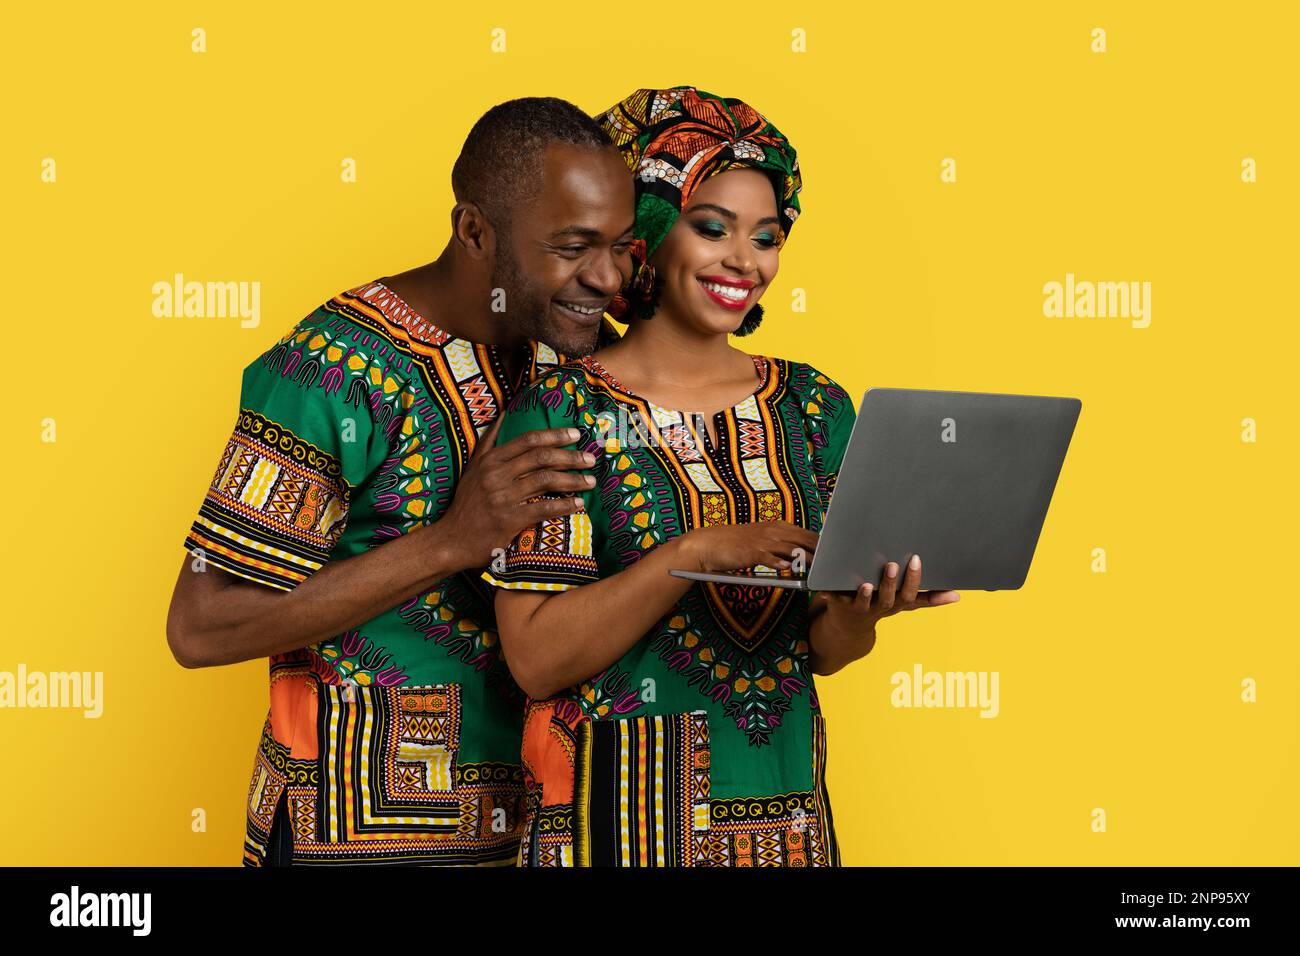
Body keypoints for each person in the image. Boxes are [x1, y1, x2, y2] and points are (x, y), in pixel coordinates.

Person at [483, 87, 960, 867]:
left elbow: (824, 651)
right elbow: (535, 658)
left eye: (767, 238)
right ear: (649, 236)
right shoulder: (563, 411)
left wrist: (865, 612)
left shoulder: (813, 407)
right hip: (617, 826)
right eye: (714, 230)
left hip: (784, 826)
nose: (746, 262)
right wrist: (699, 553)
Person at [165, 97, 635, 866]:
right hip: (357, 834)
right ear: (475, 231)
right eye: (574, 246)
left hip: (547, 828)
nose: (607, 276)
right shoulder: (331, 370)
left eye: (621, 246)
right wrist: (450, 543)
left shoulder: (582, 358)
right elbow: (200, 625)